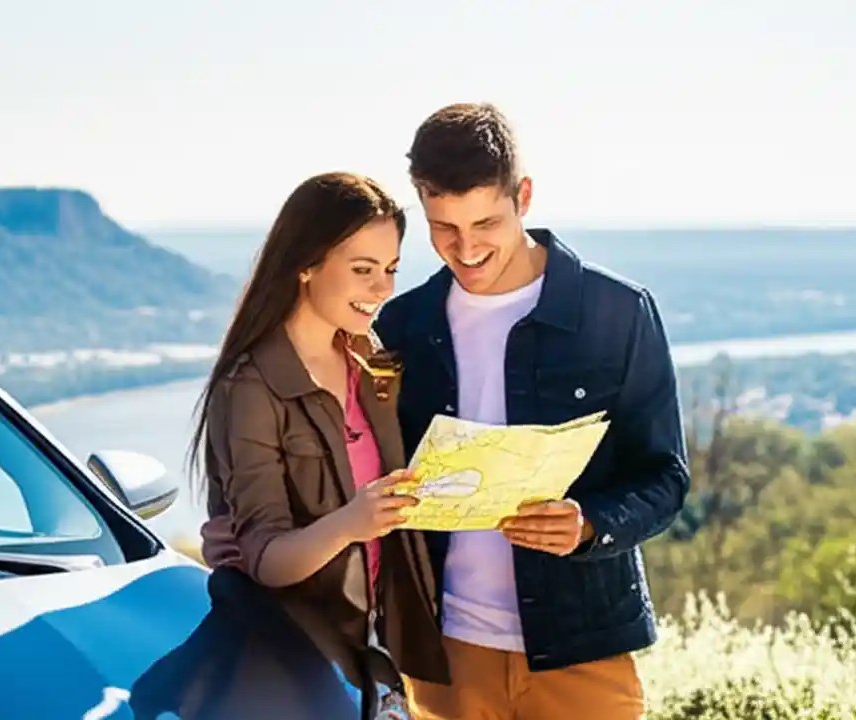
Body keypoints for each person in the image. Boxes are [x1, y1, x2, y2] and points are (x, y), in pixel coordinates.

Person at [372, 102, 690, 719]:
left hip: (584, 651)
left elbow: (665, 478)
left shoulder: (617, 312)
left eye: (485, 223)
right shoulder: (403, 324)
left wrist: (589, 522)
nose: (465, 250)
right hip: (447, 652)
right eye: (444, 227)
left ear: (524, 195)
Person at [189, 171, 451, 704]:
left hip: (377, 657)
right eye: (362, 269)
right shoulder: (249, 389)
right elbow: (265, 559)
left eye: (390, 270)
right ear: (306, 264)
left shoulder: (373, 364)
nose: (382, 289)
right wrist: (351, 522)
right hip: (295, 665)